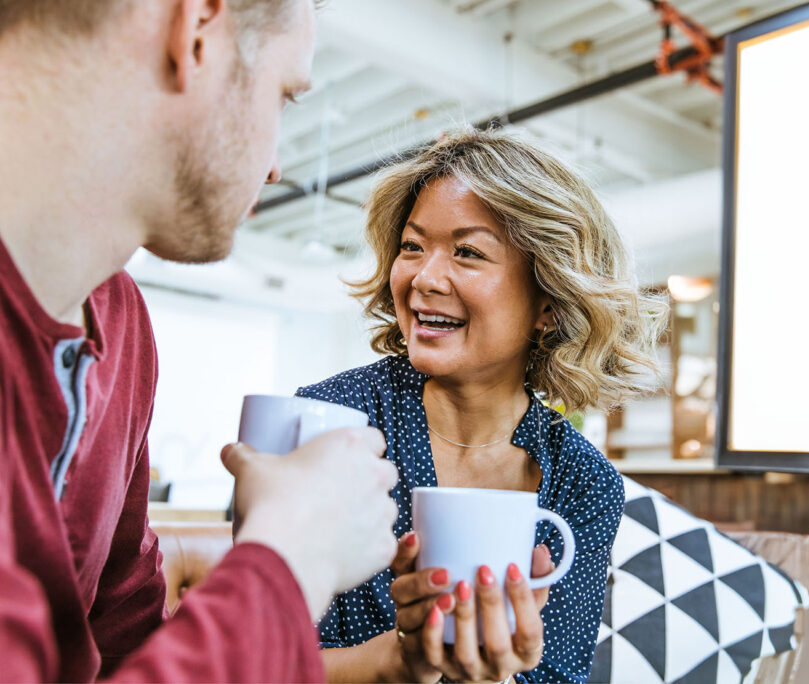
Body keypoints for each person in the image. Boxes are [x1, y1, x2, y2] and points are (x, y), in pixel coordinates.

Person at [0, 1, 399, 681]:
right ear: (197, 31)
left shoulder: (120, 322)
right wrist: (292, 557)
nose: (275, 166)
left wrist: (388, 662)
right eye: (285, 96)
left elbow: (127, 640)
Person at [297, 129, 667, 683]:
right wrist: (399, 663)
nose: (424, 276)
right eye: (413, 246)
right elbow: (255, 657)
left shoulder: (583, 484)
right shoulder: (329, 419)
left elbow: (556, 676)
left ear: (549, 301)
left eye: (468, 253)